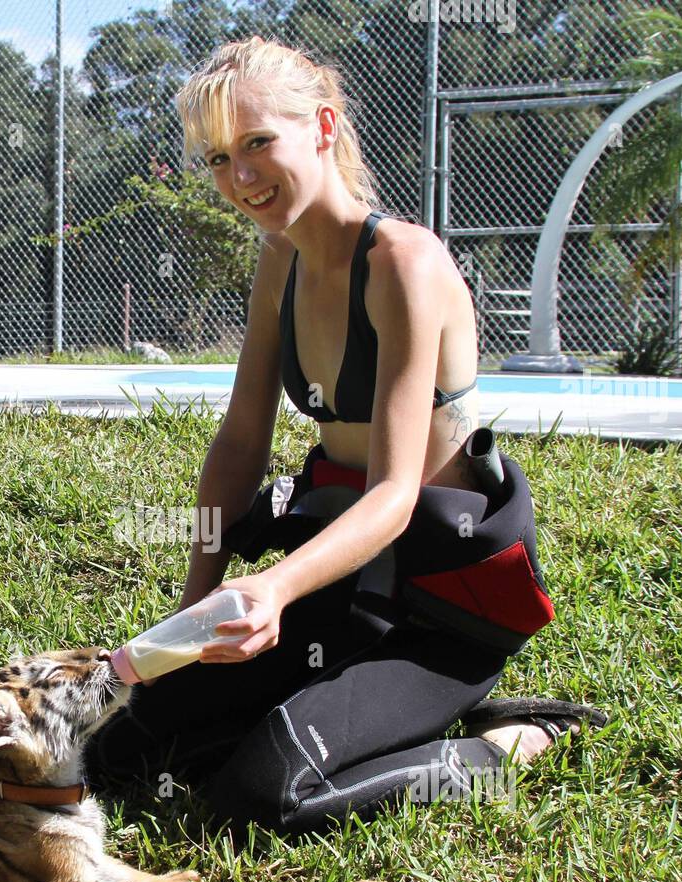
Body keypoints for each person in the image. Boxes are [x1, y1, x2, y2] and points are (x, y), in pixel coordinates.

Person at [83, 36, 607, 836]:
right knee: (116, 752)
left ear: (323, 127)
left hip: (436, 611)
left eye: (259, 143)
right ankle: (354, 718)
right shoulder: (279, 261)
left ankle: (503, 744)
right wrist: (192, 614)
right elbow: (240, 441)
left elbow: (397, 494)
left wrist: (273, 589)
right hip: (342, 590)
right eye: (220, 158)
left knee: (257, 799)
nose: (240, 177)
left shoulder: (405, 262)